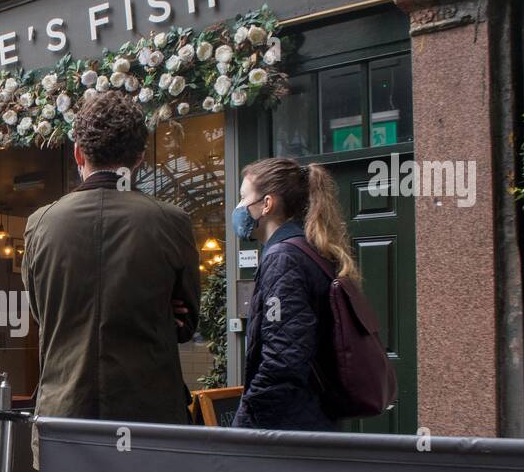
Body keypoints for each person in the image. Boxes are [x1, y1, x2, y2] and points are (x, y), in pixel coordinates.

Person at [22, 90, 200, 436]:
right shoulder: (171, 221)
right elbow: (186, 324)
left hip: (64, 416)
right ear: (140, 159)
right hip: (149, 419)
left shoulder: (40, 223)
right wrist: (162, 313)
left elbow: (41, 313)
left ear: (77, 153)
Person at [230, 156, 358, 431]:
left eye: (243, 197)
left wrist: (248, 418)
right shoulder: (310, 250)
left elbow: (283, 357)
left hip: (289, 424)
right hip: (314, 416)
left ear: (266, 203)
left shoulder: (283, 258)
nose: (239, 207)